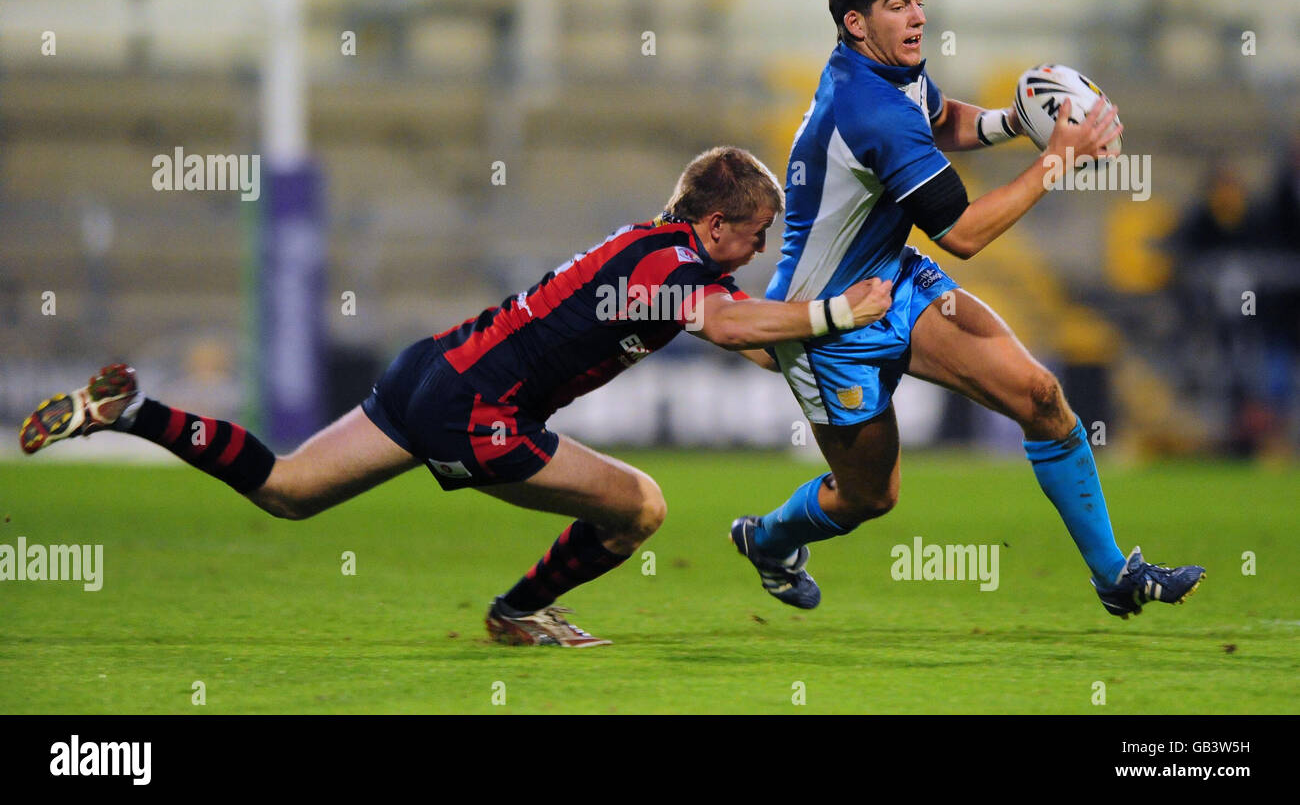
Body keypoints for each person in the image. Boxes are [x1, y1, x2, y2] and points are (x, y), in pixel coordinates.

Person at [19, 146, 893, 647]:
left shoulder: (657, 251)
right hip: (478, 412)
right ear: (715, 225)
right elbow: (735, 328)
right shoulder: (673, 263)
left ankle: (132, 411)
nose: (760, 243)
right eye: (755, 231)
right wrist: (838, 309)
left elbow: (745, 335)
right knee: (640, 508)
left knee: (287, 490)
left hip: (431, 368)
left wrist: (837, 357)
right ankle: (516, 614)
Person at [730, 0, 1204, 619]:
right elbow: (965, 235)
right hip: (827, 324)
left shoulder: (889, 77)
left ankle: (1114, 575)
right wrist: (1056, 160)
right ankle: (767, 538)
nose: (919, 15)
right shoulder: (868, 110)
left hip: (893, 283)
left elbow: (938, 114)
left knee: (1039, 394)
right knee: (870, 495)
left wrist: (1013, 123)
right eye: (898, 4)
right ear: (856, 23)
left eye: (919, 0)